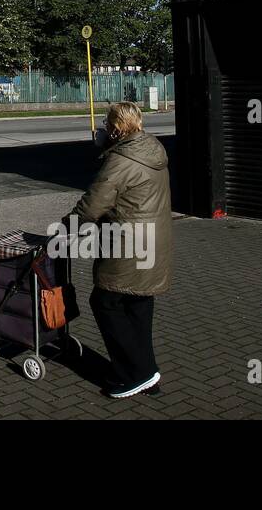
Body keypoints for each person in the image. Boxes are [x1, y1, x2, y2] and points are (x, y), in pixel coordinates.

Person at [66, 101, 172, 398]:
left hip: (129, 243)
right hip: (152, 241)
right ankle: (147, 373)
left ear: (116, 128)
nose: (102, 127)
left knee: (106, 303)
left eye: (106, 124)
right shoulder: (150, 149)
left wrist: (66, 226)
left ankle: (134, 374)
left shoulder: (121, 161)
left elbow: (94, 204)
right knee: (137, 305)